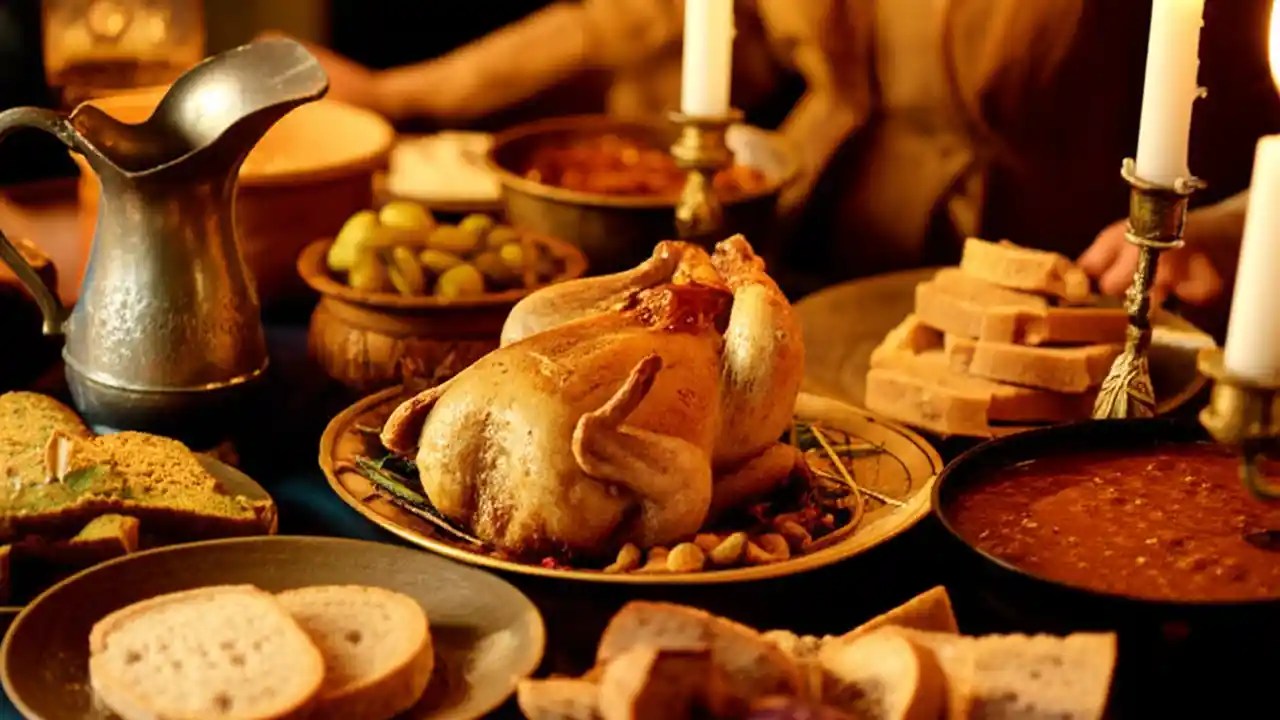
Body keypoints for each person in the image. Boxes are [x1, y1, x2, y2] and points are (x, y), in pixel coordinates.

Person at [285, 0, 1278, 303]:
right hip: (794, 274)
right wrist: (405, 95)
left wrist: (1225, 234)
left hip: (1079, 304)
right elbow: (656, 25)